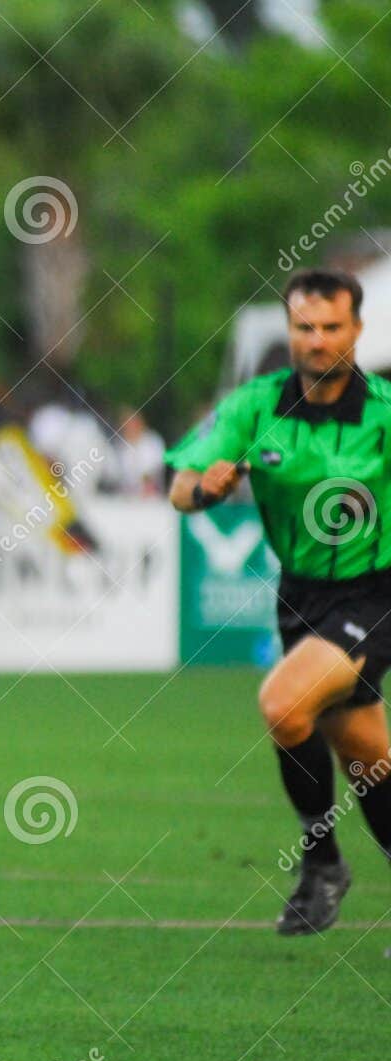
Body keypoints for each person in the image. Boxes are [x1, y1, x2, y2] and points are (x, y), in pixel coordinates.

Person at [166, 267, 391, 936]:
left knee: (284, 705)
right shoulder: (254, 404)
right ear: (289, 329)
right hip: (299, 598)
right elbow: (180, 488)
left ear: (356, 329)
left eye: (331, 327)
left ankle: (321, 864)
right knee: (364, 754)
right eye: (304, 328)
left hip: (376, 592)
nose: (317, 341)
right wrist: (204, 486)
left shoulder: (384, 412)